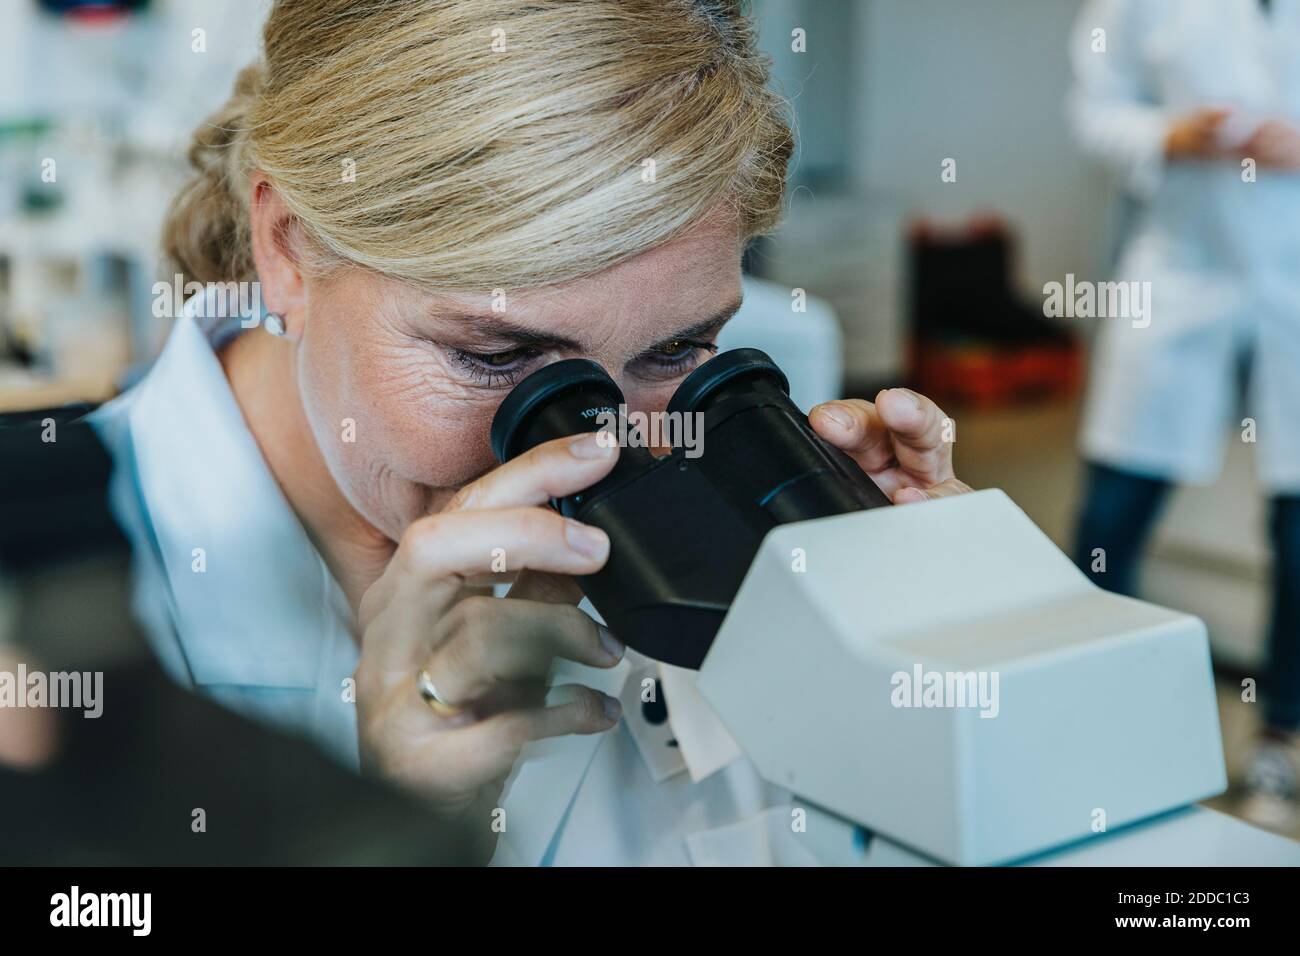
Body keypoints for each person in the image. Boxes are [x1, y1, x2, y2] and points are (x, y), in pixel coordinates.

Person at [93, 0, 970, 865]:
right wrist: (396, 834)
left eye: (677, 350)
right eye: (500, 354)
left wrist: (945, 664)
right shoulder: (55, 594)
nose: (602, 453)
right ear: (286, 248)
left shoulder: (709, 509)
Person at [1069, 0, 1300, 830]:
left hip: (1296, 271)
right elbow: (1094, 112)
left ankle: (1279, 738)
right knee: (1110, 516)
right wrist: (1170, 136)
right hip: (1181, 269)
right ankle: (1097, 727)